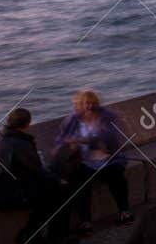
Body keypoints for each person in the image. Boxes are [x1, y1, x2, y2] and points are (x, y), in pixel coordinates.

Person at [0, 108, 76, 244]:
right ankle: (56, 240)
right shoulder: (21, 144)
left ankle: (31, 235)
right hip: (6, 196)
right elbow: (38, 171)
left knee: (45, 193)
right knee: (61, 191)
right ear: (28, 124)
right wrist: (58, 181)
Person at [54, 89, 133, 234]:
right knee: (79, 184)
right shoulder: (71, 120)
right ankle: (85, 222)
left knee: (117, 178)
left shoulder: (107, 116)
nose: (89, 106)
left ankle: (124, 212)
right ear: (79, 105)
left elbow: (109, 138)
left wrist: (81, 140)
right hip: (84, 161)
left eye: (92, 103)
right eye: (85, 103)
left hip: (109, 159)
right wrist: (68, 145)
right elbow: (61, 140)